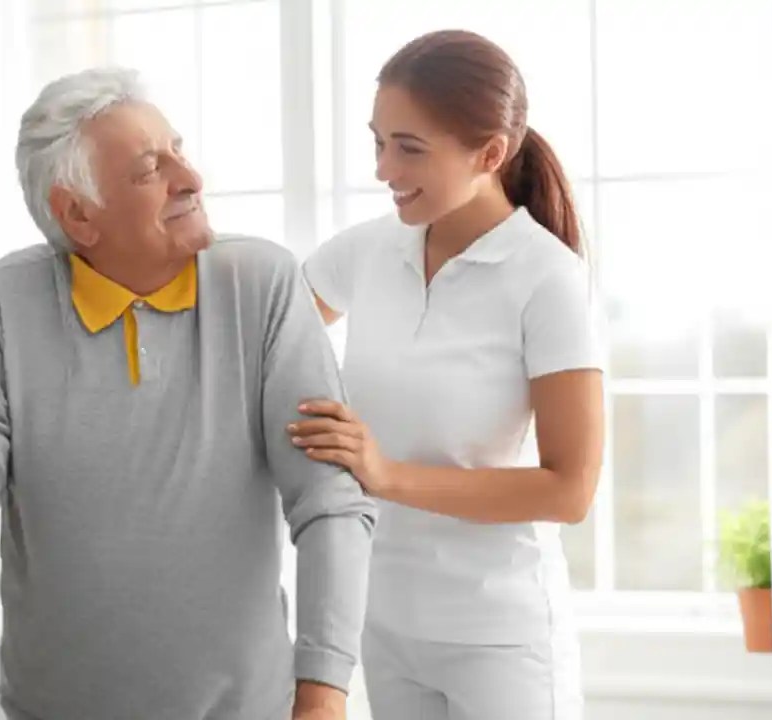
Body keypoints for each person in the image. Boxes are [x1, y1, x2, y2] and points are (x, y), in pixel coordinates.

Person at [0, 67, 377, 720]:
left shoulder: (262, 286)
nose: (192, 179)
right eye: (152, 170)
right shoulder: (1, 306)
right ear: (77, 215)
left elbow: (329, 503)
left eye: (179, 150)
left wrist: (322, 698)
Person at [288, 30, 605, 720]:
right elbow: (266, 333)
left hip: (501, 637)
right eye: (378, 142)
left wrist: (387, 474)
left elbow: (569, 490)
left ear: (489, 154)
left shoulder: (547, 279)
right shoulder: (370, 250)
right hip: (384, 620)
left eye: (409, 148)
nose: (383, 169)